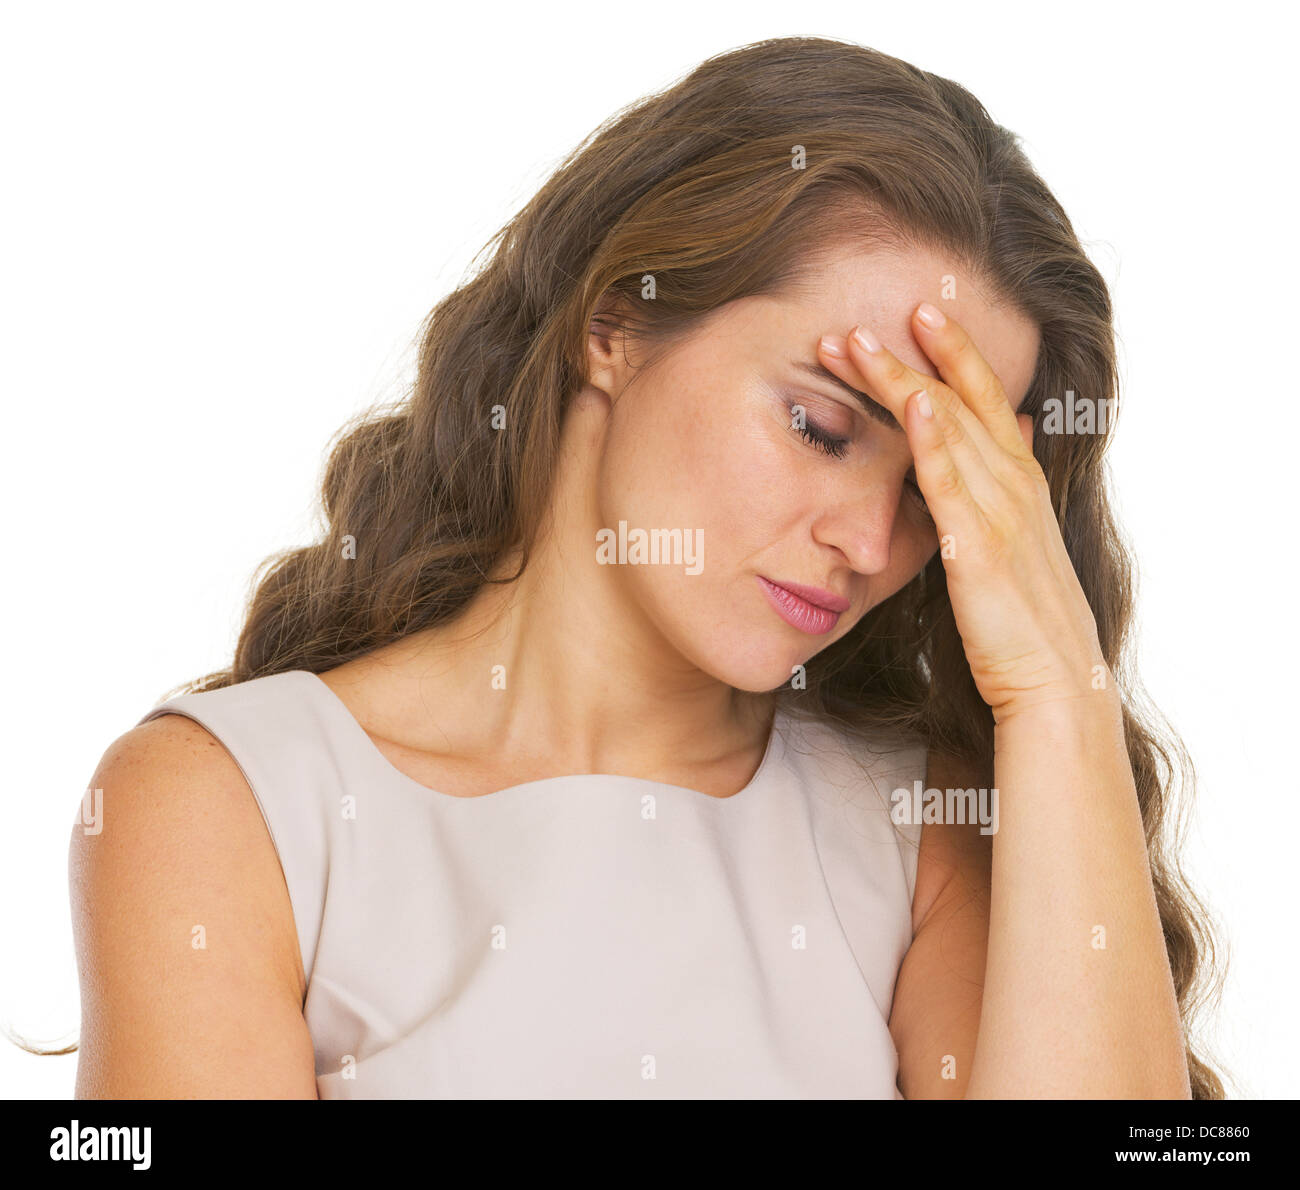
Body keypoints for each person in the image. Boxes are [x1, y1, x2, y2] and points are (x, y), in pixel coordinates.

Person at [58, 35, 1224, 1098]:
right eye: (820, 427)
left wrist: (1056, 687)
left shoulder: (919, 834)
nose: (871, 545)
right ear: (613, 325)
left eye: (934, 494)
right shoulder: (230, 807)